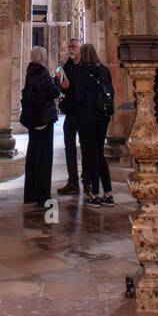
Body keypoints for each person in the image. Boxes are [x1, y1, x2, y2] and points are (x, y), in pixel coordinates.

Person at [63, 43, 115, 206]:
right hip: (103, 117)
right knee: (99, 153)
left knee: (91, 155)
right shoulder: (104, 70)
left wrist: (68, 96)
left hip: (87, 119)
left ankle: (94, 194)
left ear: (83, 55)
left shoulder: (81, 71)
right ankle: (108, 194)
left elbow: (77, 96)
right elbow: (111, 92)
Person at [20, 47, 60, 209]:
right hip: (44, 118)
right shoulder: (43, 72)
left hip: (32, 119)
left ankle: (30, 195)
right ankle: (43, 197)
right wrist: (57, 80)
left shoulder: (30, 72)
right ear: (42, 58)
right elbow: (54, 93)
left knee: (33, 155)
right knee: (44, 158)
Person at [56, 38, 85, 195]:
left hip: (84, 112)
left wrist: (71, 86)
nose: (71, 49)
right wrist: (63, 86)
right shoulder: (67, 65)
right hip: (71, 111)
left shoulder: (85, 66)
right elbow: (65, 87)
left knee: (85, 146)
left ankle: (87, 179)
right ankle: (73, 181)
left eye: (74, 46)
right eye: (70, 46)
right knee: (69, 146)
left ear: (80, 49)